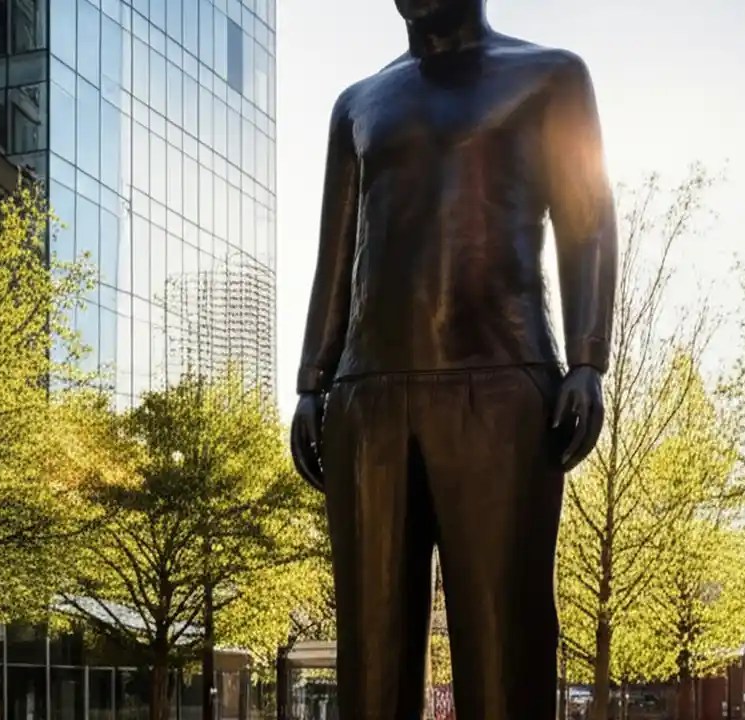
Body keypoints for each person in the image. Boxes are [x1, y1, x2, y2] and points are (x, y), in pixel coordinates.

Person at [289, 0, 617, 717]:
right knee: (371, 653)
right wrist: (312, 381)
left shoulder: (549, 78)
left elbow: (587, 220)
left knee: (505, 643)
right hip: (367, 398)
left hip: (499, 387)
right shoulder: (358, 106)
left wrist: (590, 358)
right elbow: (336, 255)